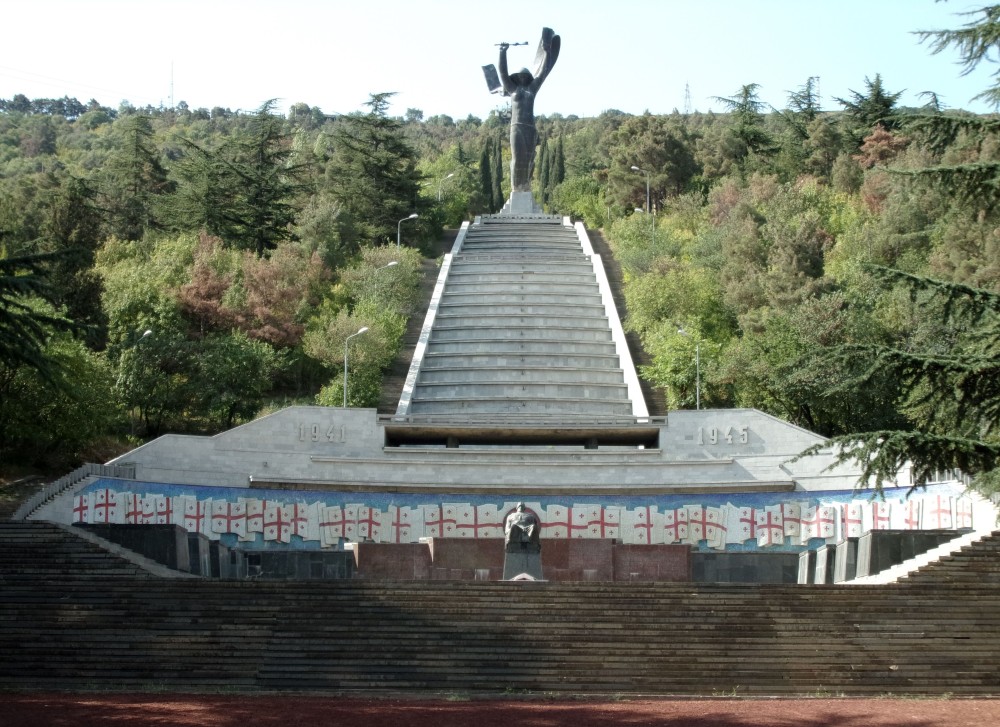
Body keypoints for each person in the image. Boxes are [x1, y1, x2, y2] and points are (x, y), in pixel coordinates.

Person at [497, 28, 560, 192]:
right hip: (516, 126)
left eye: (526, 75)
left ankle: (526, 187)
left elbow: (543, 72)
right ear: (517, 77)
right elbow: (502, 73)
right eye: (520, 75)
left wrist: (546, 51)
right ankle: (516, 189)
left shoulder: (532, 89)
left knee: (529, 159)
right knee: (517, 159)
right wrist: (503, 52)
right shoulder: (512, 89)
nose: (524, 77)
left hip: (530, 128)